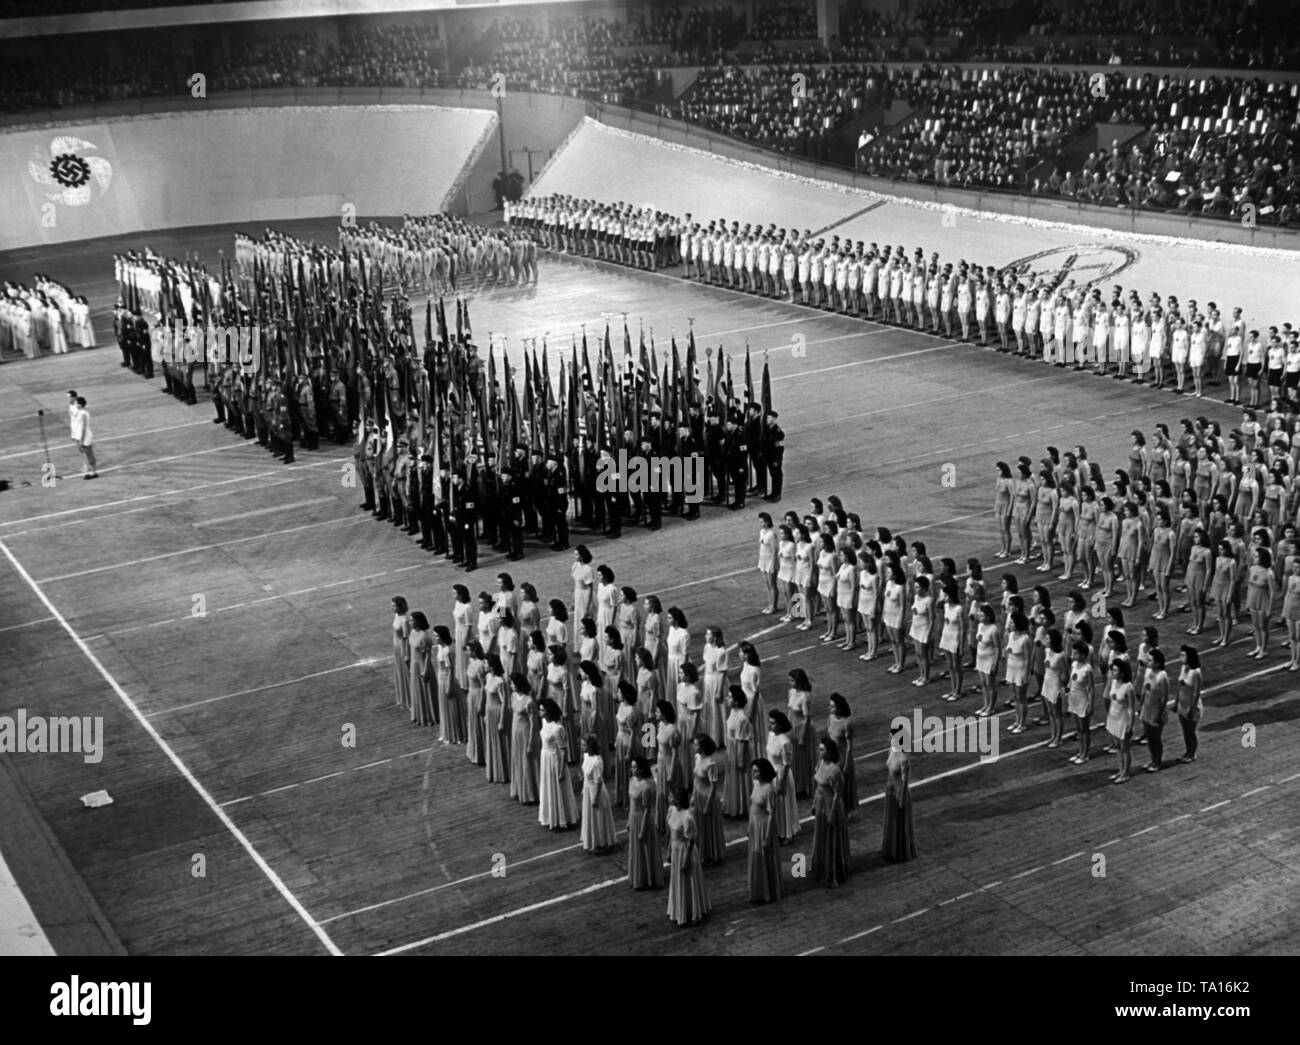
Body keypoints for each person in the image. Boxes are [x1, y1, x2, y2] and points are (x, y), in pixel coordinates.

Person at [666, 787, 710, 926]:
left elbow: (691, 841)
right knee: (679, 880)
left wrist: (685, 860)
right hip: (675, 849)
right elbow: (672, 835)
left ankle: (694, 911)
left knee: (688, 881)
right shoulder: (672, 810)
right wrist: (669, 851)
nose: (669, 798)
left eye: (671, 796)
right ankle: (681, 909)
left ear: (678, 799)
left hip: (685, 852)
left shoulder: (687, 817)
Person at [811, 737, 850, 886]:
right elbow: (819, 788)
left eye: (822, 749)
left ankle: (833, 873)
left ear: (829, 752)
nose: (819, 752)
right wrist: (814, 803)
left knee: (831, 839)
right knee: (822, 836)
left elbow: (837, 794)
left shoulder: (834, 770)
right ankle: (821, 867)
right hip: (821, 804)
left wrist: (832, 814)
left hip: (830, 806)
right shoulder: (821, 763)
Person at [537, 698, 577, 830]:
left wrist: (561, 770)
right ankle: (550, 816)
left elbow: (564, 751)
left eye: (542, 710)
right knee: (548, 787)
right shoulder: (544, 722)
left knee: (558, 788)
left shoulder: (558, 728)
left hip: (554, 760)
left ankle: (562, 817)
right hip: (545, 759)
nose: (540, 712)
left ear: (548, 712)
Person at [746, 758, 782, 904]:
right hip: (755, 825)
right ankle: (758, 890)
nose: (753, 773)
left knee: (764, 858)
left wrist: (767, 836)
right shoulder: (756, 784)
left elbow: (772, 813)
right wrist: (749, 826)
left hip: (764, 826)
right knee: (756, 858)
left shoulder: (769, 790)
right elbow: (752, 806)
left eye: (756, 771)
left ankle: (767, 891)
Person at [627, 757, 664, 889]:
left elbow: (648, 810)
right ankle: (639, 877)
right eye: (632, 767)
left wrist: (642, 830)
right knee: (636, 849)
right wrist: (628, 820)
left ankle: (646, 878)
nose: (632, 769)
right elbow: (632, 803)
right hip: (633, 817)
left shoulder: (647, 786)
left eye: (635, 767)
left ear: (641, 769)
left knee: (645, 849)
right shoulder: (632, 781)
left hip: (643, 820)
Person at [692, 735, 726, 865]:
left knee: (709, 826)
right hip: (699, 795)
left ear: (703, 747)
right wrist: (693, 796)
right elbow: (696, 780)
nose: (694, 747)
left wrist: (708, 804)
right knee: (701, 825)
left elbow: (714, 787)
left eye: (696, 745)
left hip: (708, 798)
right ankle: (704, 852)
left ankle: (713, 854)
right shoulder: (697, 758)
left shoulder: (711, 765)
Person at [580, 734, 617, 853]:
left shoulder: (596, 761)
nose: (581, 747)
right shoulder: (586, 756)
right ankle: (593, 841)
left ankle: (602, 843)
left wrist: (595, 798)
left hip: (596, 792)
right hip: (588, 790)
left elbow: (599, 782)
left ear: (590, 747)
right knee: (591, 817)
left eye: (584, 745)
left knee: (598, 818)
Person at [883, 731, 916, 862]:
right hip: (890, 790)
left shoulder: (904, 759)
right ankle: (891, 849)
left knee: (900, 823)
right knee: (892, 821)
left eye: (891, 737)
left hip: (900, 793)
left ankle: (901, 852)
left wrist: (901, 799)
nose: (889, 739)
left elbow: (905, 781)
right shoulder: (890, 750)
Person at [766, 709, 799, 843]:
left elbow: (786, 765)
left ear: (780, 725)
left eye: (773, 723)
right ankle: (779, 830)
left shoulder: (785, 742)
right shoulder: (771, 735)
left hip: (781, 775)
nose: (770, 726)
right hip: (771, 773)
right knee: (775, 805)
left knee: (783, 803)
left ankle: (787, 833)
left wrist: (781, 783)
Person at [722, 687, 753, 817]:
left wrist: (740, 760)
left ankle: (741, 807)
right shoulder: (733, 712)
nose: (727, 699)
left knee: (739, 777)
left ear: (736, 701)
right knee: (733, 777)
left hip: (737, 751)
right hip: (732, 748)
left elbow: (741, 741)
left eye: (730, 697)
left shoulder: (741, 718)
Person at [508, 673, 538, 804]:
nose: (511, 685)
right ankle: (519, 788)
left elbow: (534, 723)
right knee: (517, 759)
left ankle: (531, 792)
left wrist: (531, 742)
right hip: (515, 732)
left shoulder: (529, 701)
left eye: (513, 683)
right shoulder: (513, 696)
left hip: (525, 733)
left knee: (527, 761)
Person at [826, 692, 857, 814]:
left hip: (842, 757)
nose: (830, 708)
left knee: (843, 785)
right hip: (832, 756)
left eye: (832, 706)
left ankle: (845, 810)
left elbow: (849, 747)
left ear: (839, 707)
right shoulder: (830, 718)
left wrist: (846, 765)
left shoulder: (847, 723)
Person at [1139, 648, 1169, 772]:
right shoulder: (1148, 672)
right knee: (1150, 738)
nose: (1148, 662)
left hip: (1156, 711)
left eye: (1150, 660)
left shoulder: (1162, 677)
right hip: (1146, 709)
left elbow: (1164, 698)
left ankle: (1158, 761)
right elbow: (1144, 690)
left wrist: (1158, 715)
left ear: (1157, 663)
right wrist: (1140, 705)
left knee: (1156, 738)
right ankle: (1152, 760)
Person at [1105, 659, 1135, 784]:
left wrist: (1130, 725)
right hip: (1113, 718)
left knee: (1125, 748)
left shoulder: (1128, 687)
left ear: (1122, 673)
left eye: (1116, 670)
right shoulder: (1113, 682)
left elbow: (1132, 708)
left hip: (1123, 720)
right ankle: (1121, 770)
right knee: (1118, 747)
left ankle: (1125, 773)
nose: (1113, 672)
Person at [435, 626, 467, 745]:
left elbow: (450, 669)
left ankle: (456, 733)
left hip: (467, 635)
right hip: (460, 632)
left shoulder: (447, 651)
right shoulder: (441, 648)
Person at [483, 655, 511, 784]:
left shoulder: (500, 681)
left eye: (486, 663)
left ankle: (504, 772)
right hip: (490, 712)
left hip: (497, 713)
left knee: (500, 742)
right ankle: (495, 770)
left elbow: (504, 701)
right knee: (492, 741)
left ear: (492, 665)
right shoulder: (488, 677)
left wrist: (501, 721)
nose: (484, 665)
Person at [408, 611, 437, 728]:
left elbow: (428, 655)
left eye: (412, 620)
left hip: (421, 664)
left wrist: (425, 670)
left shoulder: (424, 637)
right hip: (415, 664)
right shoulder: (413, 632)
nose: (410, 622)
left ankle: (428, 715)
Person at [1175, 645, 1203, 761]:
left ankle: (1192, 753)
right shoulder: (1183, 667)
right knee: (1185, 731)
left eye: (1183, 655)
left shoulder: (1196, 672)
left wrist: (1192, 709)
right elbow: (1180, 687)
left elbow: (1196, 693)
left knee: (1191, 731)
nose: (1180, 657)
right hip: (1182, 703)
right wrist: (1176, 702)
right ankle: (1188, 751)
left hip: (1191, 705)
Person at [390, 596, 411, 711]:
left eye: (394, 606)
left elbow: (407, 638)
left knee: (405, 673)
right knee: (399, 671)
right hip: (396, 646)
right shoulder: (397, 616)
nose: (392, 608)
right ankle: (403, 698)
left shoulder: (405, 620)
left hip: (402, 647)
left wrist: (407, 653)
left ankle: (409, 699)